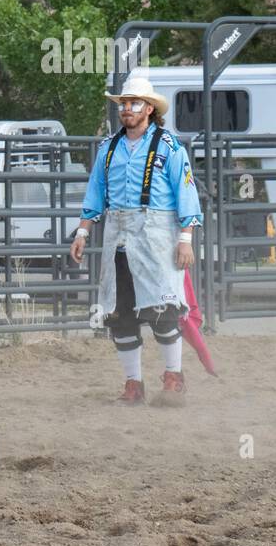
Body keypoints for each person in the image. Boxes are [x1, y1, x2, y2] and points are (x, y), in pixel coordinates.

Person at [70, 74, 203, 406]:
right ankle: (134, 383)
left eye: (134, 103)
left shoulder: (170, 146)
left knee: (162, 306)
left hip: (157, 233)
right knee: (120, 310)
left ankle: (173, 376)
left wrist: (185, 237)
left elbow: (185, 189)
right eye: (124, 103)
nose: (127, 109)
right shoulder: (109, 148)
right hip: (118, 234)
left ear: (149, 109)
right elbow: (95, 192)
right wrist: (83, 231)